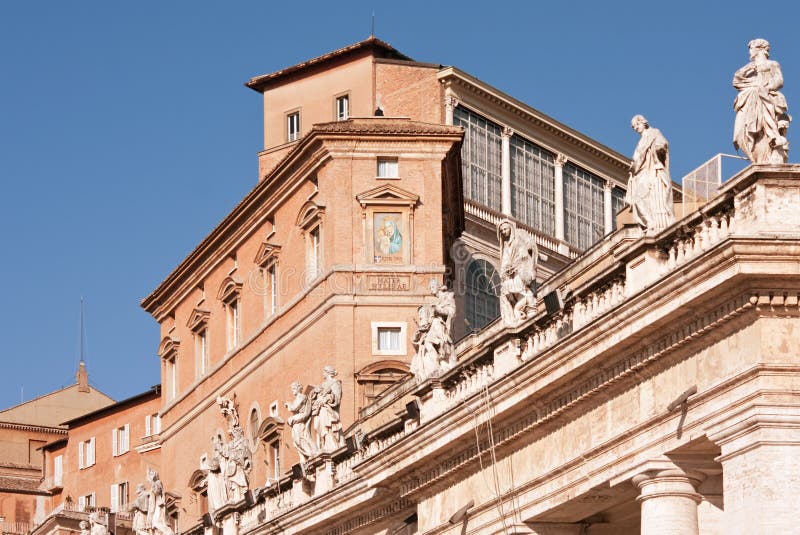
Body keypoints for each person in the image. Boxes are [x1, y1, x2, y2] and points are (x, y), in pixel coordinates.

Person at [733, 38, 790, 164]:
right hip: (749, 99)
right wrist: (749, 68)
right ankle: (754, 155)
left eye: (751, 49)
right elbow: (736, 81)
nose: (749, 53)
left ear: (760, 49)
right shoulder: (749, 67)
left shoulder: (772, 64)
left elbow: (779, 81)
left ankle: (771, 149)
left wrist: (764, 88)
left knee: (766, 128)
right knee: (740, 133)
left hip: (766, 98)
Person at [626, 115, 674, 232]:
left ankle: (652, 223)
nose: (636, 128)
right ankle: (649, 223)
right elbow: (637, 158)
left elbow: (663, 144)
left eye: (637, 125)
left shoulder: (654, 133)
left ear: (643, 122)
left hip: (651, 169)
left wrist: (659, 148)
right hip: (640, 173)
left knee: (646, 197)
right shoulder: (641, 141)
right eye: (634, 127)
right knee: (637, 199)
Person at [497, 220, 537, 326]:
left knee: (524, 289)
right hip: (512, 273)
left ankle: (526, 308)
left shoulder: (519, 237)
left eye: (505, 229)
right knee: (505, 290)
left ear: (510, 228)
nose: (504, 232)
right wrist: (506, 270)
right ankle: (514, 314)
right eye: (501, 231)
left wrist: (519, 263)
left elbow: (528, 248)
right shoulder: (506, 245)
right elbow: (505, 261)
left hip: (521, 269)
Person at [311, 366, 344, 452]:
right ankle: (325, 444)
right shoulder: (322, 385)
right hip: (320, 409)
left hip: (327, 409)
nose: (322, 373)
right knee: (318, 426)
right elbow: (313, 396)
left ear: (328, 372)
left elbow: (336, 396)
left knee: (327, 426)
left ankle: (331, 445)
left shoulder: (335, 383)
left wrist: (325, 399)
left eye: (324, 372)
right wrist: (315, 392)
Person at [285, 381, 317, 464]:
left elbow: (294, 408)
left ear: (298, 388)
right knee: (296, 441)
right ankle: (303, 458)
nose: (293, 391)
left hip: (300, 420)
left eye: (294, 389)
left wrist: (288, 405)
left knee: (301, 438)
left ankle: (312, 453)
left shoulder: (301, 397)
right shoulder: (298, 398)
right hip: (297, 421)